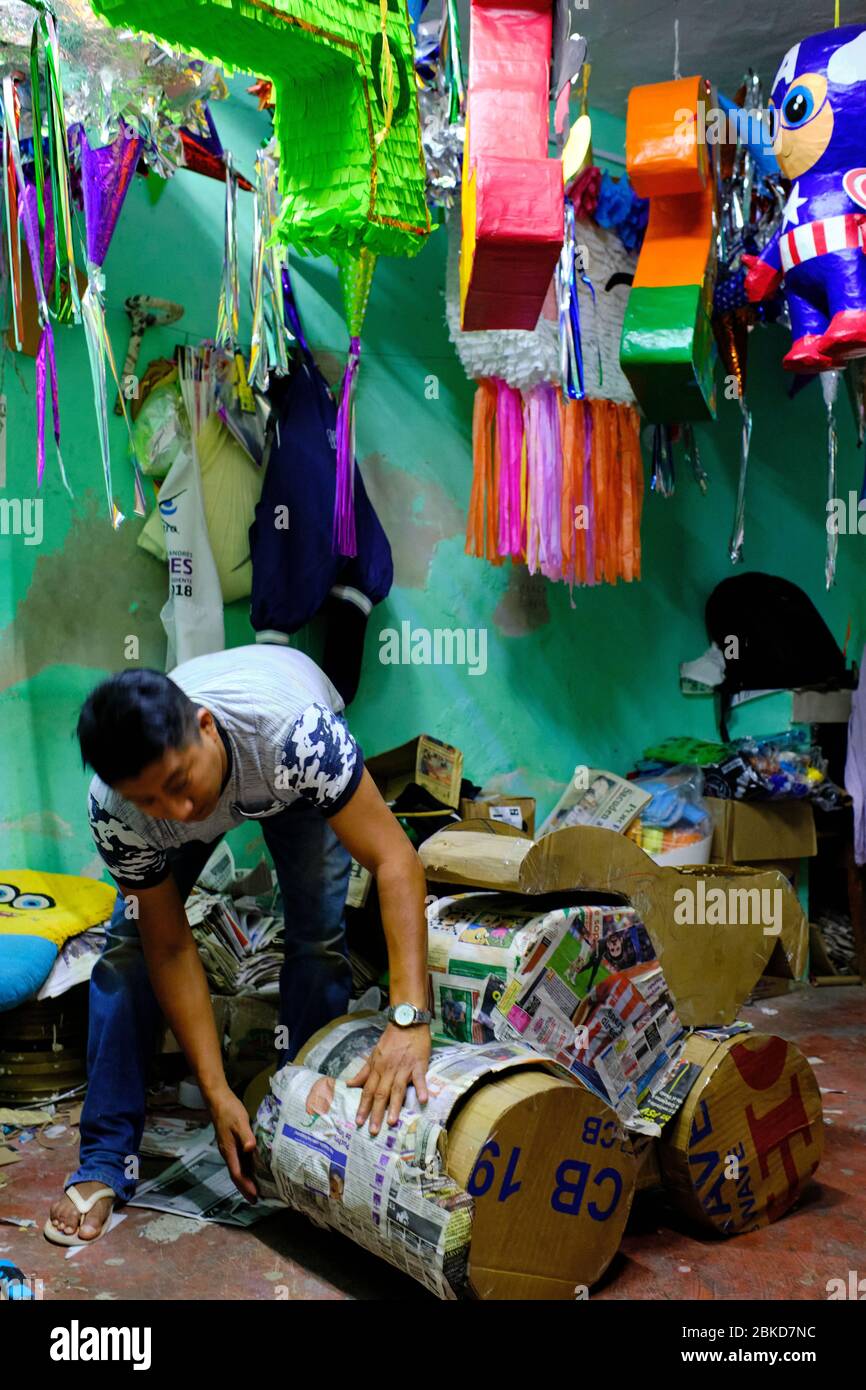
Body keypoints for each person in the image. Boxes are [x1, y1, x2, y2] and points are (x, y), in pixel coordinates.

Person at [45, 644, 431, 1244]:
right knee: (127, 957)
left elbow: (394, 859)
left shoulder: (300, 737)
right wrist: (218, 1090)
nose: (180, 811)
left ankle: (295, 1131)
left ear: (203, 726)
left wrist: (408, 1018)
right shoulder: (118, 812)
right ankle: (103, 1160)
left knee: (317, 940)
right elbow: (171, 949)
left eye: (178, 783)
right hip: (241, 764)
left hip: (283, 776)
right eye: (151, 800)